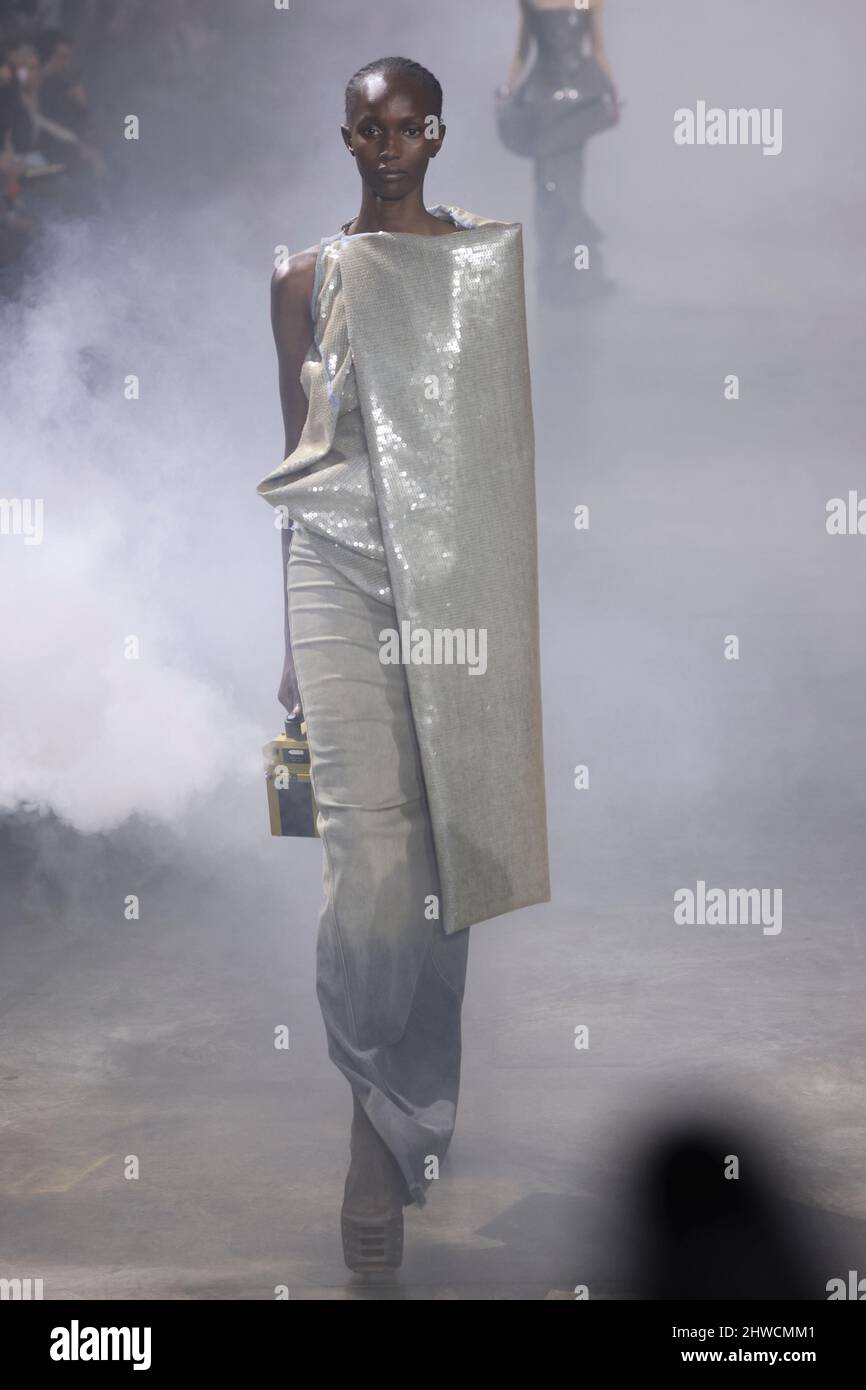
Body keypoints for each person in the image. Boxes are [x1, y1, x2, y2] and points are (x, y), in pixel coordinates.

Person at [257, 55, 549, 1276]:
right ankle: (375, 1148)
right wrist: (287, 644)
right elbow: (297, 446)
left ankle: (390, 1141)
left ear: (434, 135)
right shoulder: (301, 278)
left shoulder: (484, 268)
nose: (385, 143)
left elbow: (493, 458)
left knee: (442, 868)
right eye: (364, 126)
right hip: (333, 570)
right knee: (369, 875)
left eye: (405, 125)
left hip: (455, 589)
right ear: (344, 136)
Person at [499, 0, 620, 306]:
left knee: (570, 181)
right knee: (545, 181)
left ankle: (575, 268)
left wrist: (612, 94)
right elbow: (522, 52)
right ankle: (551, 263)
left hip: (578, 98)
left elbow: (597, 49)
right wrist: (508, 89)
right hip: (543, 96)